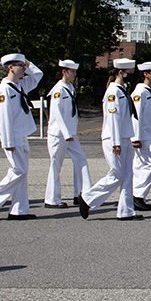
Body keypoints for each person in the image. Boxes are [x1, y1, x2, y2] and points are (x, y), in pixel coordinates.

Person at [77, 58, 142, 221]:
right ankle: (87, 198)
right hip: (115, 138)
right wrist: (115, 143)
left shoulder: (121, 90)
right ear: (121, 72)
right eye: (129, 73)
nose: (131, 76)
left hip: (125, 136)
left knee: (127, 175)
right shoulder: (113, 92)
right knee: (117, 175)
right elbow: (113, 118)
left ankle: (126, 211)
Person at [0, 53, 44, 220]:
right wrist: (8, 141)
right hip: (13, 137)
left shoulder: (19, 85)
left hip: (21, 135)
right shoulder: (5, 89)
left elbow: (38, 75)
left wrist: (28, 61)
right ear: (10, 67)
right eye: (20, 65)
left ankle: (18, 210)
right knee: (19, 171)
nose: (24, 68)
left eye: (24, 65)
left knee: (22, 173)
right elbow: (5, 118)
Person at [43, 59, 90, 209]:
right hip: (59, 134)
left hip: (70, 133)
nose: (75, 74)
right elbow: (57, 114)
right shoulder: (59, 90)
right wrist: (66, 132)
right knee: (56, 165)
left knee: (81, 160)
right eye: (73, 71)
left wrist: (70, 132)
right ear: (64, 72)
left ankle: (82, 194)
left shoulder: (69, 87)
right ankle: (52, 199)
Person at [130, 62, 151, 211]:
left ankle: (136, 196)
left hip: (147, 133)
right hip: (143, 135)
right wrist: (135, 137)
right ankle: (137, 196)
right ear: (146, 74)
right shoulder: (141, 93)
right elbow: (135, 116)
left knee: (140, 166)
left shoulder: (149, 91)